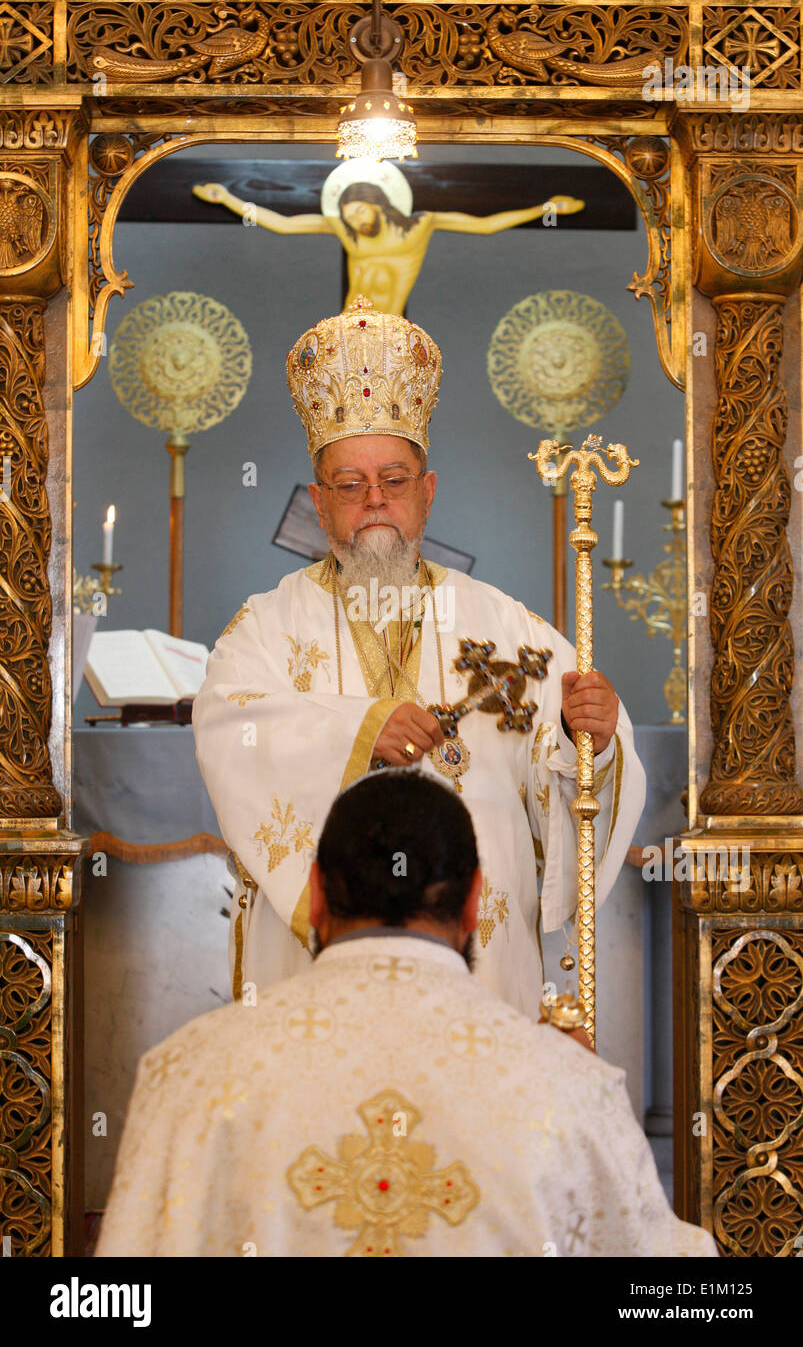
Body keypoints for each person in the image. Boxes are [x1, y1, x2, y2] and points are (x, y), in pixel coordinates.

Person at [192, 296, 646, 1020]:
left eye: (394, 480)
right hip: (320, 959)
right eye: (349, 484)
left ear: (426, 494)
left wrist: (582, 735)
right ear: (319, 499)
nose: (374, 500)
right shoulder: (265, 627)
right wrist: (359, 728)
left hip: (479, 958)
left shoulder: (505, 627)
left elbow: (573, 771)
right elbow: (227, 725)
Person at [96, 772, 716, 1258]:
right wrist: (572, 1087)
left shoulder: (188, 1072)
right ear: (475, 901)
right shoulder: (567, 1087)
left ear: (314, 894)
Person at [192, 157, 584, 315]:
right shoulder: (347, 233)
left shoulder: (421, 224)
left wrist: (544, 209)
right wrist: (228, 199)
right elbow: (283, 224)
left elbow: (483, 225)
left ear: (379, 204)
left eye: (360, 211)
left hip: (393, 329)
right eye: (348, 215)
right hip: (348, 325)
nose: (356, 220)